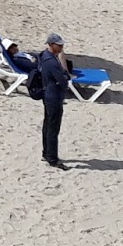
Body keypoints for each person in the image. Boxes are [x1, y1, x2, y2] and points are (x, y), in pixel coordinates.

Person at [36, 33, 73, 167]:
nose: (62, 47)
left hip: (48, 94)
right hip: (53, 96)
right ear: (51, 45)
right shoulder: (51, 61)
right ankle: (52, 158)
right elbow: (63, 80)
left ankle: (46, 153)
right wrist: (65, 75)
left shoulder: (44, 56)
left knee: (48, 125)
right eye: (59, 45)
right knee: (53, 128)